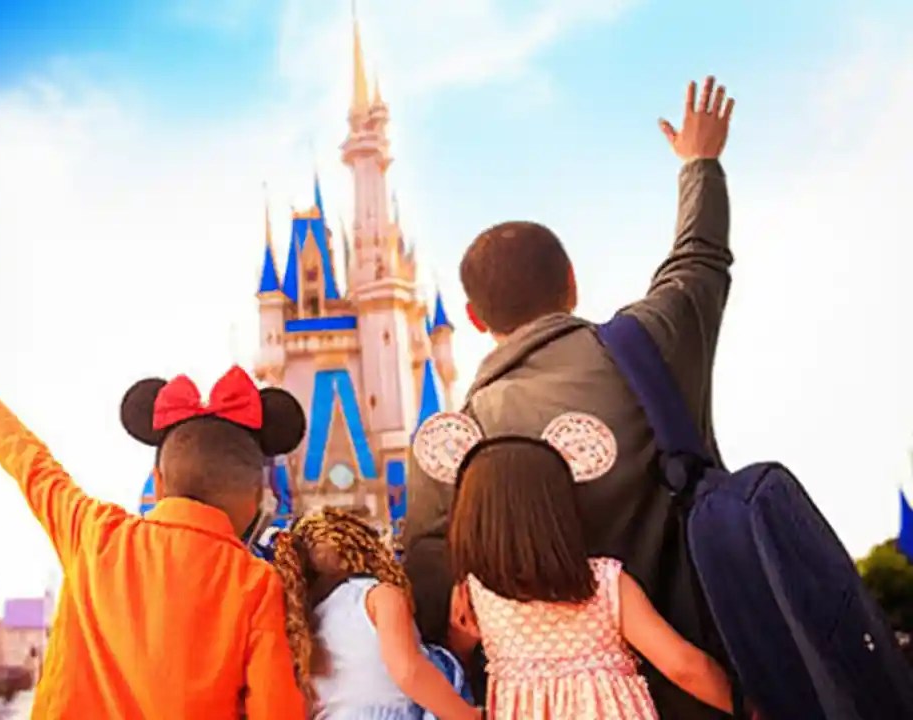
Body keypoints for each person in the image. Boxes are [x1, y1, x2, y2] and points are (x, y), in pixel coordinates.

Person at [401, 76, 737, 718]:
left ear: (471, 318)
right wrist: (700, 164)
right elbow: (699, 260)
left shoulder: (455, 445)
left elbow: (434, 586)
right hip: (702, 672)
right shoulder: (648, 348)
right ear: (572, 282)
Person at [0, 334, 307, 719]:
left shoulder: (93, 533)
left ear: (158, 480)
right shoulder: (255, 585)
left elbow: (30, 463)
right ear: (257, 498)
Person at [440, 424, 734, 718]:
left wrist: (459, 641)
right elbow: (684, 666)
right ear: (560, 511)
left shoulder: (475, 592)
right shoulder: (605, 584)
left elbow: (457, 660)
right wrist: (750, 708)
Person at [269, 507, 480, 720]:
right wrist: (469, 716)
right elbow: (409, 672)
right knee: (439, 663)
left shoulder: (300, 627)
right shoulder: (377, 596)